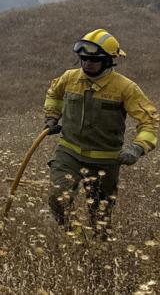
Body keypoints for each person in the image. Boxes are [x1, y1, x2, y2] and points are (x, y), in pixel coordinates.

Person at [43, 29, 158, 238]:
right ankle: (75, 237)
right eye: (83, 59)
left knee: (100, 218)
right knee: (58, 198)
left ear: (108, 61)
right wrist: (52, 117)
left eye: (93, 60)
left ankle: (97, 247)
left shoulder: (125, 88)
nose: (86, 64)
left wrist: (137, 148)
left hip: (105, 161)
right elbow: (54, 94)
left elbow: (149, 122)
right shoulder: (69, 78)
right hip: (69, 154)